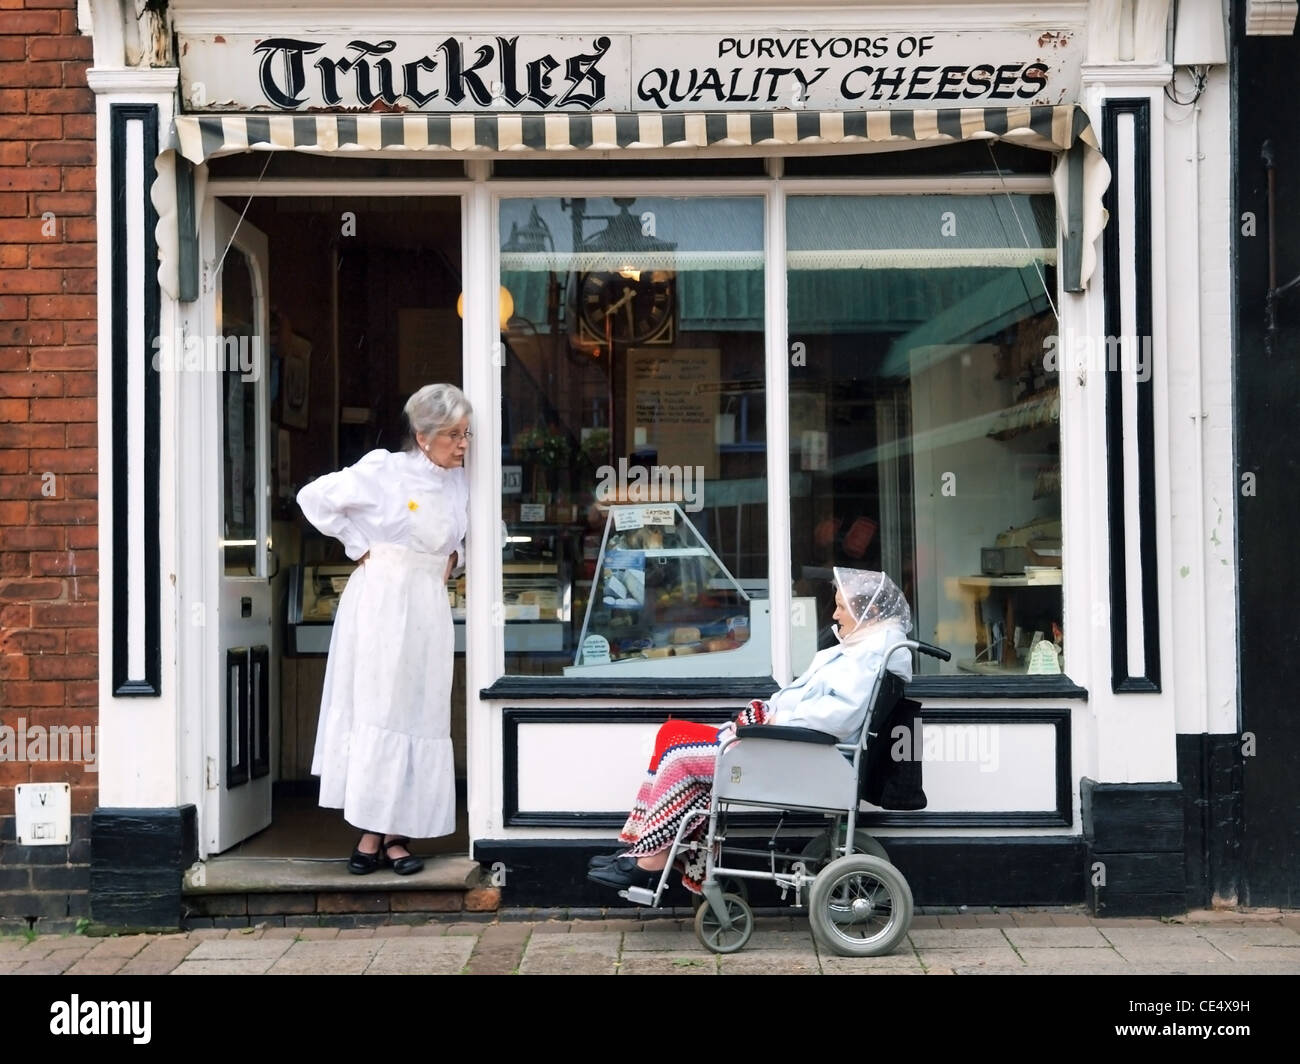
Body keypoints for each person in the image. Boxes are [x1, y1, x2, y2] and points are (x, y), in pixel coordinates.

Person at [587, 568, 913, 893]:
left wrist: (775, 720)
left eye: (841, 607)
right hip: (789, 746)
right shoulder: (858, 650)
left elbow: (838, 717)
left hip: (796, 752)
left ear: (865, 611)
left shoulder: (867, 657)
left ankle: (652, 860)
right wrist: (771, 711)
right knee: (671, 732)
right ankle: (643, 843)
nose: (834, 614)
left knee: (680, 757)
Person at [296, 383, 471, 876]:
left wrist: (455, 559)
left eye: (466, 434)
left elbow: (471, 537)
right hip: (381, 604)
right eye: (453, 435)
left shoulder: (461, 481)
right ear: (422, 435)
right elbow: (314, 498)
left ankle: (393, 833)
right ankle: (376, 833)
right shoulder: (385, 471)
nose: (462, 444)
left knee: (422, 711)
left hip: (428, 608)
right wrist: (359, 545)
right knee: (380, 708)